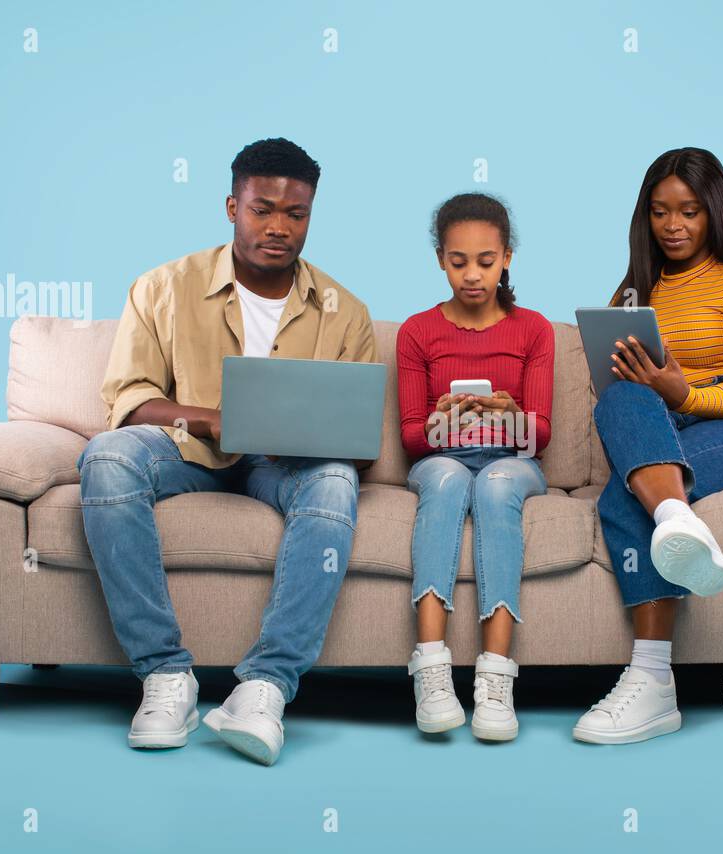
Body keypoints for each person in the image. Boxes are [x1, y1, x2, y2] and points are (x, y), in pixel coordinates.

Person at [78, 137, 377, 766]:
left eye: (296, 214)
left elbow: (359, 440)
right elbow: (129, 401)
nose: (278, 227)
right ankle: (166, 677)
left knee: (334, 481)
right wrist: (212, 420)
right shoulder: (162, 286)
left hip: (284, 468)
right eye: (262, 209)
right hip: (189, 455)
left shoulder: (345, 312)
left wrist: (311, 439)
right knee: (107, 456)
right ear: (231, 206)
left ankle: (264, 689)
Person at [573, 147, 723, 745]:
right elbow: (619, 394)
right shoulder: (634, 291)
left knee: (623, 501)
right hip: (670, 440)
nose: (673, 226)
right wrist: (637, 385)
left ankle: (650, 682)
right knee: (619, 403)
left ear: (714, 212)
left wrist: (683, 392)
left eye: (690, 211)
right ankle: (676, 518)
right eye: (659, 212)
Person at [396, 193, 554, 741]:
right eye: (458, 261)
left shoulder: (534, 329)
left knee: (495, 480)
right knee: (447, 476)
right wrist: (440, 422)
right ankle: (433, 669)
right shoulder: (417, 332)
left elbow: (541, 437)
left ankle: (494, 679)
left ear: (506, 257)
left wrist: (514, 417)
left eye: (485, 262)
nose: (471, 275)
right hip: (441, 459)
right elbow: (413, 440)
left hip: (512, 460)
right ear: (441, 259)